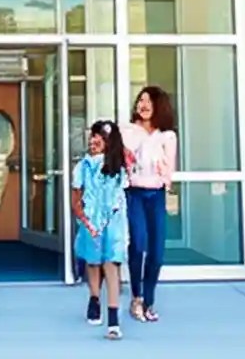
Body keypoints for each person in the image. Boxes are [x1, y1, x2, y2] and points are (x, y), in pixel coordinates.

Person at [121, 86, 178, 323]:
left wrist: (165, 172)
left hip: (156, 195)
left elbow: (170, 170)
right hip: (134, 192)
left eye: (149, 101)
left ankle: (149, 300)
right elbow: (121, 158)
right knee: (138, 244)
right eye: (140, 101)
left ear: (159, 105)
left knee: (157, 252)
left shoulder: (167, 135)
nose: (143, 105)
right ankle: (137, 296)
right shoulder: (128, 131)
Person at [72, 121, 129, 340]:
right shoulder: (82, 166)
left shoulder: (118, 168)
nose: (94, 141)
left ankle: (113, 320)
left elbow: (121, 194)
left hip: (114, 222)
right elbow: (76, 198)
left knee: (112, 264)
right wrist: (85, 220)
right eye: (93, 136)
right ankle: (94, 297)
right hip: (90, 221)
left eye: (101, 137)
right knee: (93, 262)